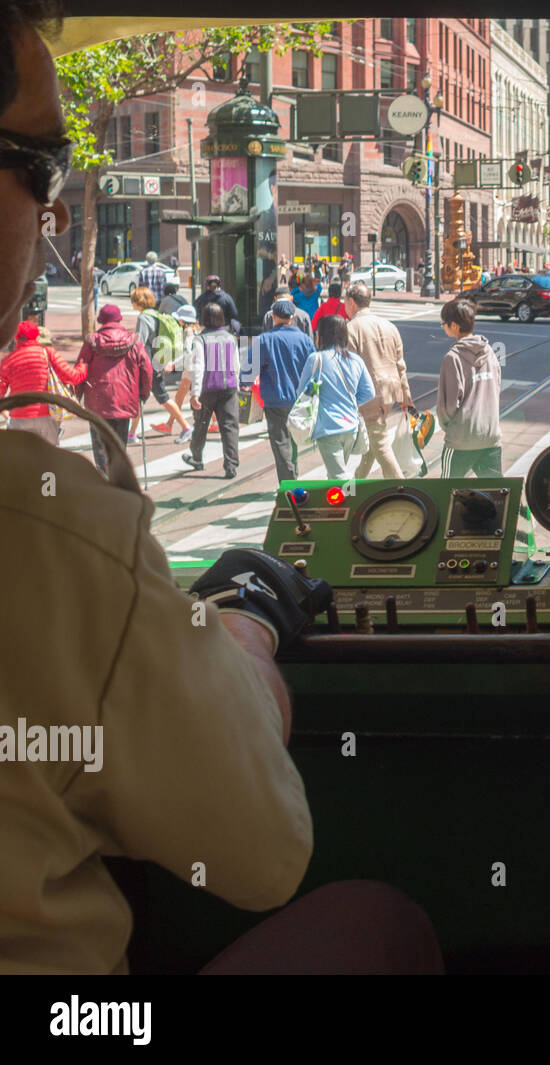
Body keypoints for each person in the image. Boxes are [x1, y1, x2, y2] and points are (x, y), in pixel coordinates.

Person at [0, 1, 443, 975]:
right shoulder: (46, 528)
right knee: (378, 920)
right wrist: (242, 624)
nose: (54, 213)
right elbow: (262, 855)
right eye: (39, 169)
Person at [63, 304, 152, 472]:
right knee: (119, 446)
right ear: (118, 319)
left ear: (101, 320)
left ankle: (104, 480)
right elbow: (146, 369)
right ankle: (118, 480)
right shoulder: (133, 341)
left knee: (100, 448)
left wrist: (76, 395)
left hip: (97, 403)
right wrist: (143, 393)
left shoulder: (92, 341)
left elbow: (80, 368)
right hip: (124, 402)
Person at [345, 280, 412, 479]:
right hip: (391, 390)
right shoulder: (389, 325)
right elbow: (400, 363)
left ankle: (400, 486)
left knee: (379, 443)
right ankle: (356, 485)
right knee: (374, 440)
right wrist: (406, 396)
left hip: (369, 393)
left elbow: (350, 369)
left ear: (351, 302)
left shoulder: (352, 328)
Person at [296, 313, 375, 478]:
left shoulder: (316, 359)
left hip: (329, 427)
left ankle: (350, 502)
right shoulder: (355, 360)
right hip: (351, 426)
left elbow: (301, 392)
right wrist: (349, 401)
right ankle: (338, 502)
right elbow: (369, 392)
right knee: (336, 474)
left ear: (322, 336)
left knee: (339, 476)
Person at [437, 298, 502, 478]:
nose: (443, 327)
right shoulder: (490, 352)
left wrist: (448, 427)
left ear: (454, 326)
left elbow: (447, 406)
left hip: (461, 440)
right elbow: (495, 389)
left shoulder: (452, 358)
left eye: (444, 323)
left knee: (447, 491)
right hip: (490, 435)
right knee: (497, 492)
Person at [256, 299, 314, 482]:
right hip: (299, 398)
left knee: (280, 442)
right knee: (294, 436)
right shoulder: (305, 340)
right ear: (293, 317)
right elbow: (314, 367)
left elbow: (249, 369)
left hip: (274, 398)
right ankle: (293, 473)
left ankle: (288, 480)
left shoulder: (264, 339)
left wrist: (244, 381)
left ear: (273, 317)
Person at [180, 302, 240, 478]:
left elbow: (199, 367)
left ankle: (197, 458)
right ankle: (231, 465)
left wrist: (195, 394)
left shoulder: (201, 339)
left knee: (201, 425)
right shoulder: (230, 338)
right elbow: (236, 365)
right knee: (229, 426)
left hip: (207, 389)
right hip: (229, 388)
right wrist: (235, 382)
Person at [0, 318, 80, 444]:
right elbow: (73, 377)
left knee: (22, 459)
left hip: (19, 418)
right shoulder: (47, 353)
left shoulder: (8, 361)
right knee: (48, 458)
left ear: (16, 338)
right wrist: (83, 367)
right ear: (36, 336)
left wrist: (6, 414)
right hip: (46, 416)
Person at [130, 284, 191, 442]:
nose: (132, 304)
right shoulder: (156, 314)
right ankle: (131, 433)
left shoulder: (143, 317)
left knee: (162, 397)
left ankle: (186, 427)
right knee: (140, 398)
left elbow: (140, 342)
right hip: (156, 362)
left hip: (148, 364)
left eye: (133, 301)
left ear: (138, 302)